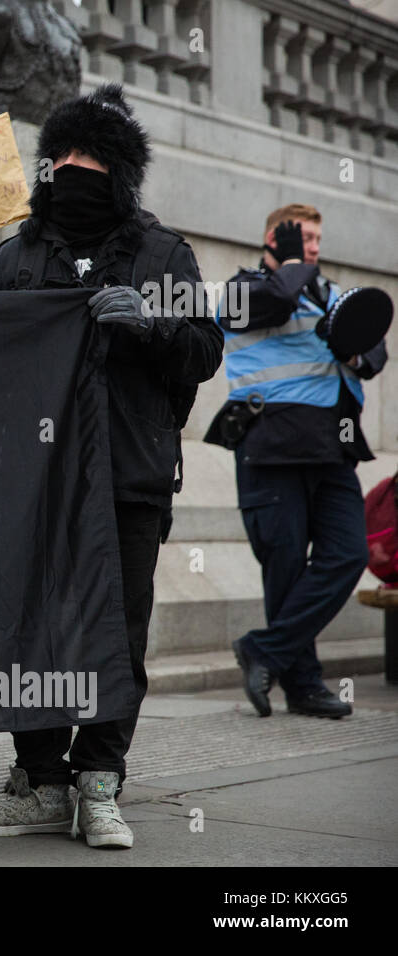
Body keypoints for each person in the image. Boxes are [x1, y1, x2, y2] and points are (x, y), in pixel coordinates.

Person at [0, 84, 223, 849]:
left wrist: (153, 326)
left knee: (116, 633)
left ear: (121, 172)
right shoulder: (15, 257)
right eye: (63, 160)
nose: (76, 173)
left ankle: (100, 782)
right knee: (28, 631)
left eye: (94, 162)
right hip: (30, 484)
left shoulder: (162, 252)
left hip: (127, 477)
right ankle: (41, 779)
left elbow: (205, 352)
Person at [208, 204, 385, 720]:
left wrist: (352, 353)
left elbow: (374, 352)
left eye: (316, 238)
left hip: (333, 448)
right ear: (276, 237)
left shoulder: (330, 294)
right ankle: (304, 686)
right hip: (270, 444)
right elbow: (278, 299)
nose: (313, 246)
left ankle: (263, 650)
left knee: (349, 554)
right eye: (303, 237)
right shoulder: (242, 290)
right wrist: (289, 267)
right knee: (284, 569)